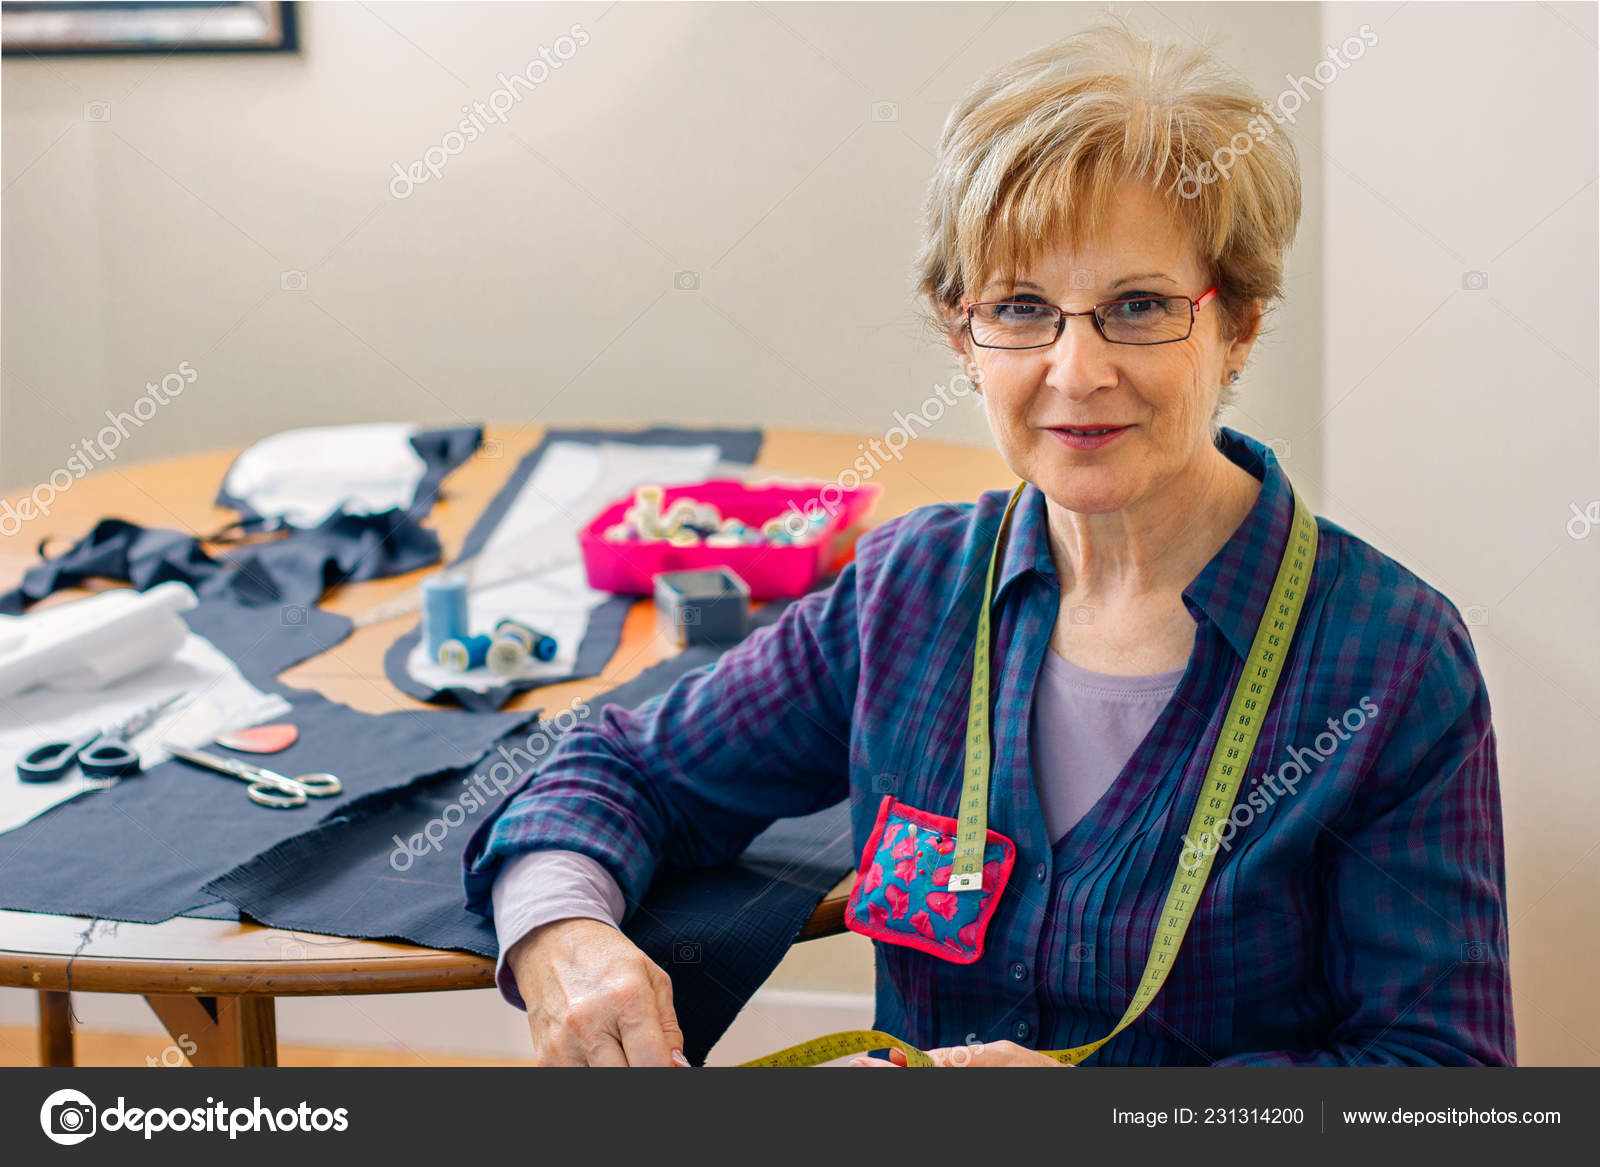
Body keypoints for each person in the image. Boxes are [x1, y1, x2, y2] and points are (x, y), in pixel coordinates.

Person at [462, 20, 1514, 1067]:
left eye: (1138, 306)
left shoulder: (1390, 661)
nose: (1077, 371)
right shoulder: (908, 594)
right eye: (1019, 307)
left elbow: (1443, 1074)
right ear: (961, 336)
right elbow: (619, 770)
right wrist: (564, 936)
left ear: (1237, 323)